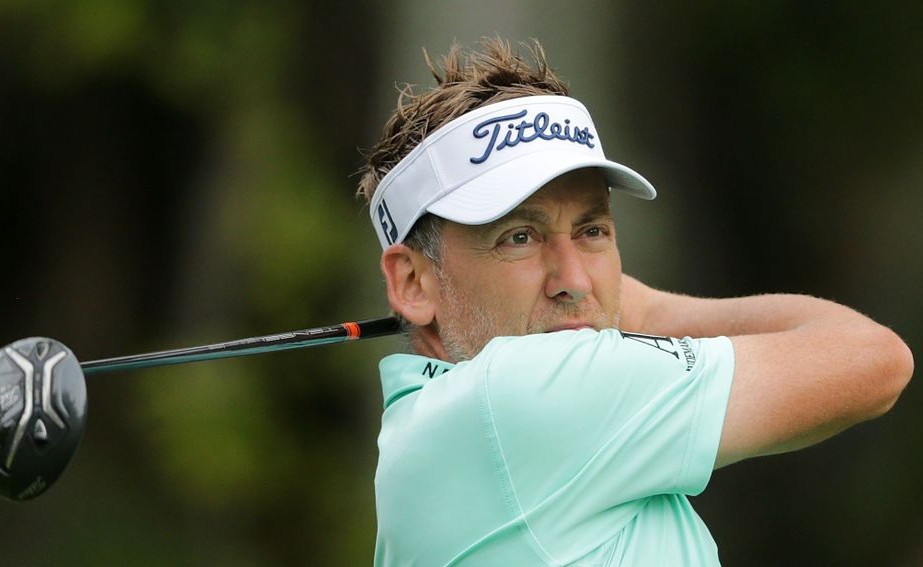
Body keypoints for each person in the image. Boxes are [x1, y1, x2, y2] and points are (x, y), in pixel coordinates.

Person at [356, 39, 914, 566]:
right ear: (413, 283)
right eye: (519, 237)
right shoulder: (525, 396)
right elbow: (874, 360)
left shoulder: (421, 430)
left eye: (591, 231)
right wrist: (642, 310)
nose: (575, 280)